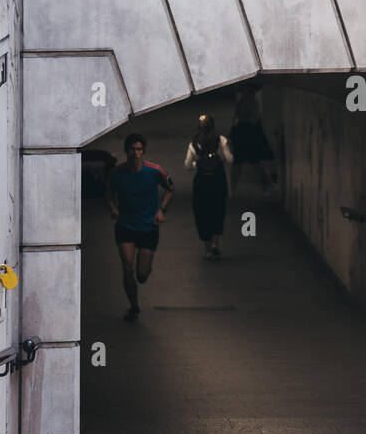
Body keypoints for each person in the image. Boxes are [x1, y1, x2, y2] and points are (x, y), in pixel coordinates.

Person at [105, 133, 174, 321]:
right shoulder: (117, 174)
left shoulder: (154, 171)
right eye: (132, 149)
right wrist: (113, 208)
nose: (136, 153)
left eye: (139, 149)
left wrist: (161, 210)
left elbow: (170, 188)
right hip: (125, 225)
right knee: (127, 267)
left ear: (143, 151)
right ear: (126, 151)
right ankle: (134, 305)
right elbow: (109, 193)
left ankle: (145, 269)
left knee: (141, 275)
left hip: (148, 226)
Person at [184, 114, 233, 258]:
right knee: (218, 211)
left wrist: (198, 163)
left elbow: (187, 165)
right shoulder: (221, 140)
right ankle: (215, 243)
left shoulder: (193, 143)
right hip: (218, 181)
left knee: (202, 213)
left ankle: (206, 249)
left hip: (202, 183)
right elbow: (230, 159)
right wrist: (220, 160)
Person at [228, 79, 276, 196]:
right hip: (242, 132)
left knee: (251, 162)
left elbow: (254, 118)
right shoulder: (243, 99)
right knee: (243, 162)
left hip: (247, 133)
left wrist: (243, 119)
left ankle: (269, 183)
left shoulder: (252, 101)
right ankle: (232, 190)